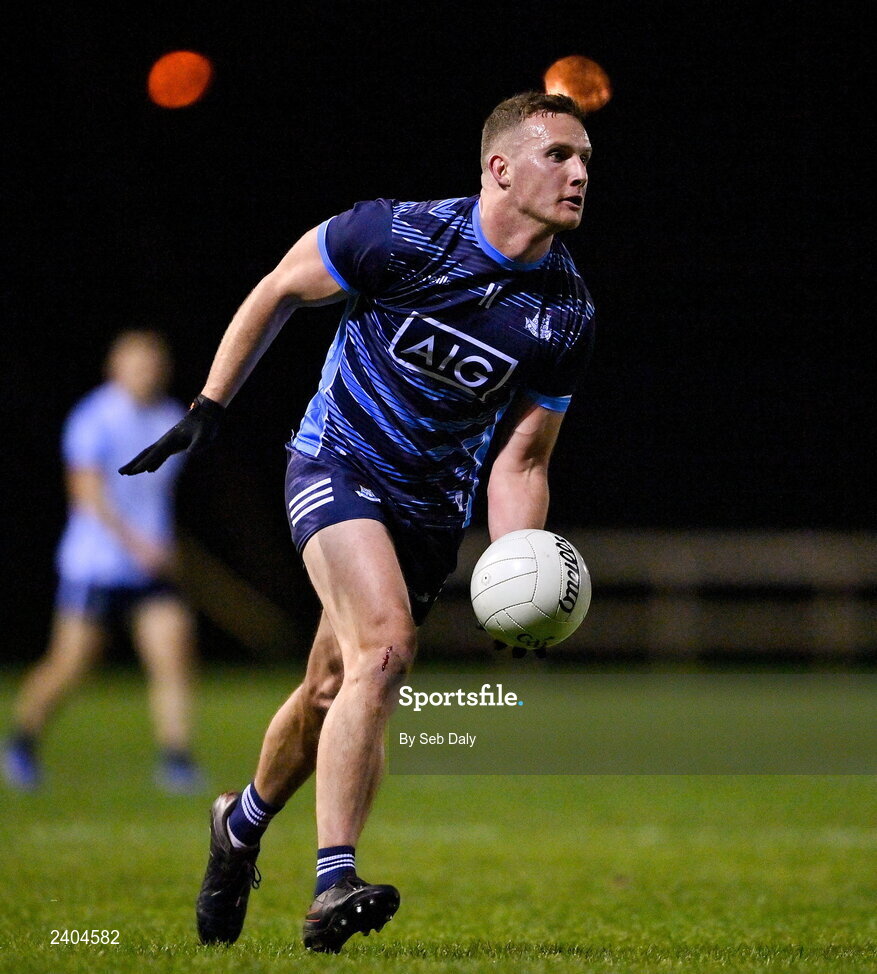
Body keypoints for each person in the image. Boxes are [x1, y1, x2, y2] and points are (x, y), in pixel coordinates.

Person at [119, 91, 596, 953]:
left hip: (426, 514)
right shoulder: (398, 234)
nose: (579, 173)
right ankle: (332, 880)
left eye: (585, 159)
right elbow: (278, 290)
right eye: (559, 154)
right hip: (335, 464)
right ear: (500, 168)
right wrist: (209, 406)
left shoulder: (563, 311)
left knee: (336, 689)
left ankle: (238, 826)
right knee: (384, 647)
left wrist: (518, 565)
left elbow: (521, 461)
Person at [3, 330, 205, 794]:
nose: (147, 371)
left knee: (173, 656)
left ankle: (176, 760)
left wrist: (164, 542)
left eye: (155, 363)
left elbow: (157, 494)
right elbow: (87, 492)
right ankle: (21, 742)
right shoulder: (94, 417)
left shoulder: (173, 417)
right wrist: (138, 544)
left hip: (151, 566)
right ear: (115, 367)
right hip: (96, 564)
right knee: (72, 664)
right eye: (137, 363)